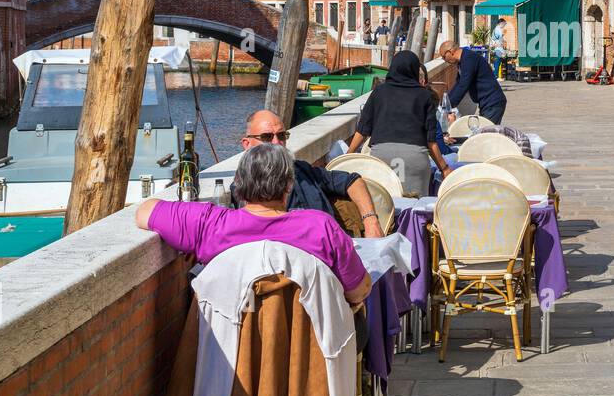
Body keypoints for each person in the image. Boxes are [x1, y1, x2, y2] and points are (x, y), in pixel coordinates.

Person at [136, 143, 372, 307]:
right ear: (288, 185)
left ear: (238, 184)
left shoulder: (208, 224)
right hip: (309, 351)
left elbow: (144, 211)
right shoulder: (321, 227)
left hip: (232, 348)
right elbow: (358, 291)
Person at [240, 109, 385, 238]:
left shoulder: (303, 170)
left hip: (333, 248)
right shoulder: (245, 188)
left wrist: (370, 220)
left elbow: (352, 180)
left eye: (282, 135)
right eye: (267, 137)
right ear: (247, 144)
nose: (277, 143)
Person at [346, 51, 452, 196]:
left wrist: (347, 156)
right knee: (416, 211)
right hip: (414, 159)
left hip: (382, 158)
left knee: (385, 206)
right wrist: (444, 168)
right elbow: (430, 140)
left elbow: (363, 130)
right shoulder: (424, 96)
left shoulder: (379, 92)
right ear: (415, 71)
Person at [438, 39, 507, 125]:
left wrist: (449, 105)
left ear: (450, 52)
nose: (444, 60)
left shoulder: (469, 59)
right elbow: (458, 84)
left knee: (487, 133)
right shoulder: (462, 61)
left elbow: (463, 85)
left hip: (492, 102)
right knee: (483, 132)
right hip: (485, 103)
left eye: (444, 56)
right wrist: (446, 102)